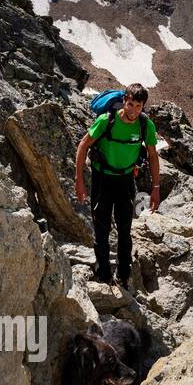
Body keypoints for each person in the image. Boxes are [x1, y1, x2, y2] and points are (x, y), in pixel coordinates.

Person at [73, 83, 161, 284]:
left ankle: (123, 274)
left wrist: (156, 189)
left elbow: (153, 156)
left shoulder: (145, 125)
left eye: (138, 107)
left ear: (142, 107)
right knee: (101, 228)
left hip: (125, 180)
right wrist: (79, 180)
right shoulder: (106, 120)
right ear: (124, 101)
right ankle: (103, 274)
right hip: (102, 179)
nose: (133, 110)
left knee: (124, 228)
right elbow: (83, 144)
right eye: (130, 104)